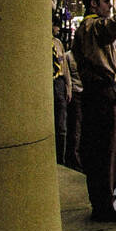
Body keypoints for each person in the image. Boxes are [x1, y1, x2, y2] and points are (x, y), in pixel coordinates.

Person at [71, 0, 116, 223]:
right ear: (93, 4)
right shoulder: (91, 26)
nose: (109, 6)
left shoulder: (89, 28)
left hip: (102, 92)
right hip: (101, 93)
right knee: (108, 153)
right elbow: (113, 27)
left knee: (111, 153)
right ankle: (108, 206)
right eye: (106, 1)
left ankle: (112, 204)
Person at [52, 16, 71, 166]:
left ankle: (61, 159)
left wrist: (68, 86)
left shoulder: (58, 44)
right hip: (49, 82)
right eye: (56, 26)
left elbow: (64, 67)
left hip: (59, 83)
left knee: (61, 125)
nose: (58, 29)